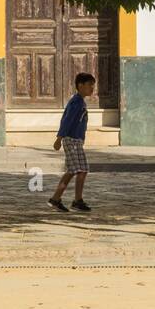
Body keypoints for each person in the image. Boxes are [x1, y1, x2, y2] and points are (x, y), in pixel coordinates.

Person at [50, 72, 95, 213]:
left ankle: (65, 199)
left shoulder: (80, 101)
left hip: (76, 141)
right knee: (79, 170)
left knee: (76, 170)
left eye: (93, 86)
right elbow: (67, 120)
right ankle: (69, 200)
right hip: (71, 140)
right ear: (80, 86)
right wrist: (59, 138)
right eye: (89, 85)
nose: (92, 88)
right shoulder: (76, 102)